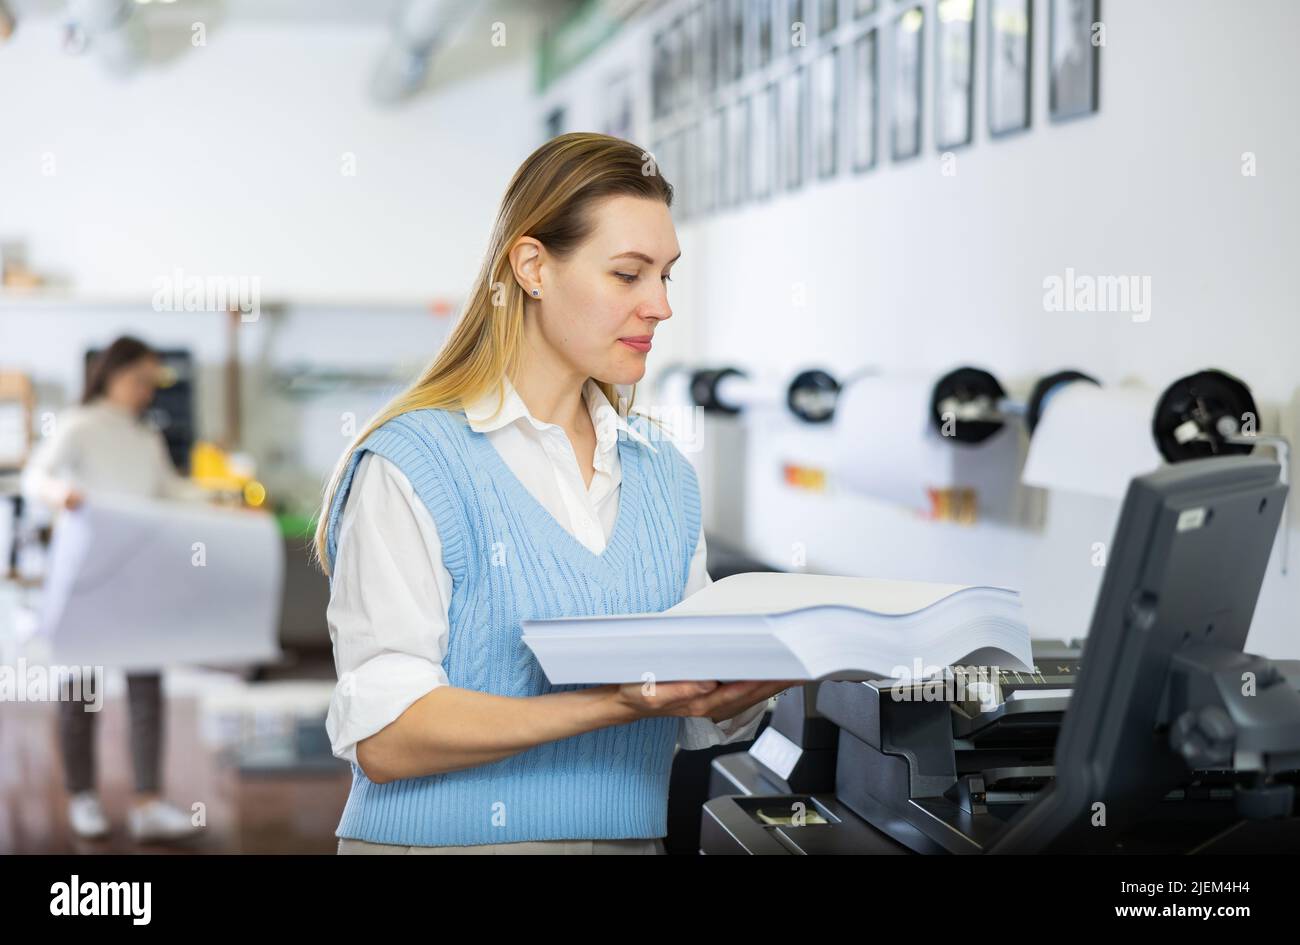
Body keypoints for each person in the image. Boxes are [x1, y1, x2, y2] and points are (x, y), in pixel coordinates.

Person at [316, 132, 798, 854]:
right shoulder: (416, 463)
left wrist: (740, 685)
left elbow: (692, 716)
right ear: (534, 267)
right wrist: (609, 702)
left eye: (667, 275)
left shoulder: (663, 472)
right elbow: (385, 734)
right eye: (628, 274)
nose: (660, 306)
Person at [23, 335, 204, 843]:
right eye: (140, 380)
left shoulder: (144, 438)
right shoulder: (79, 426)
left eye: (153, 383)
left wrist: (226, 497)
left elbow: (172, 492)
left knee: (147, 689)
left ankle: (147, 802)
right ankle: (83, 796)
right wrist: (64, 494)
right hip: (86, 578)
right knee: (80, 692)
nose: (147, 391)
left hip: (137, 576)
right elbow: (37, 476)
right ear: (112, 375)